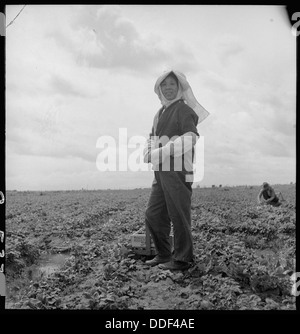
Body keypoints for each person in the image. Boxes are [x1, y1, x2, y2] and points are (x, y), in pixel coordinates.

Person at [143, 70, 209, 270]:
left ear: (179, 87)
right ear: (159, 89)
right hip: (161, 171)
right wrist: (148, 151)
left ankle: (182, 259)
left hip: (179, 169)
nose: (168, 88)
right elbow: (152, 137)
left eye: (172, 84)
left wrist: (161, 152)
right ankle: (164, 254)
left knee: (178, 213)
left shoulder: (183, 109)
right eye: (164, 85)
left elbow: (191, 137)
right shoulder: (160, 112)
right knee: (153, 214)